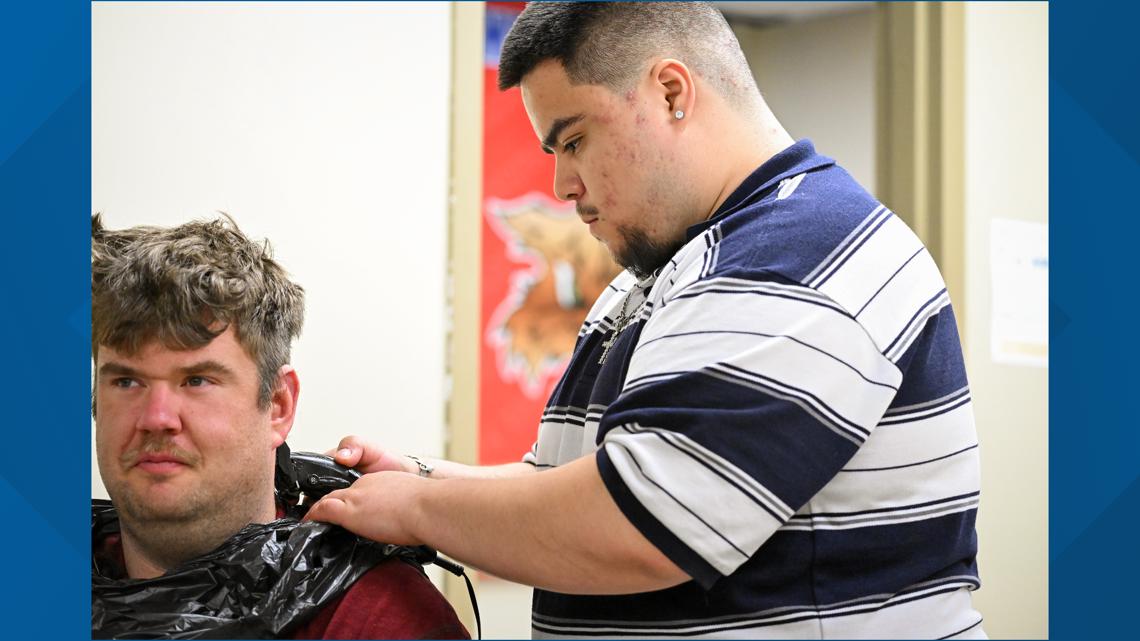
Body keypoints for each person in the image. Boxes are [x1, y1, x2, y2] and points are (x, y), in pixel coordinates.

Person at [306, 2, 985, 638]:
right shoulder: (666, 273)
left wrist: (415, 510)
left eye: (575, 140)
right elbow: (565, 483)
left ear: (670, 92)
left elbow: (642, 519)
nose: (562, 186)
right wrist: (422, 477)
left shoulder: (800, 253)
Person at [90, 214, 469, 640]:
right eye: (126, 381)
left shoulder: (375, 619)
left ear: (277, 405)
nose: (156, 418)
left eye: (196, 381)